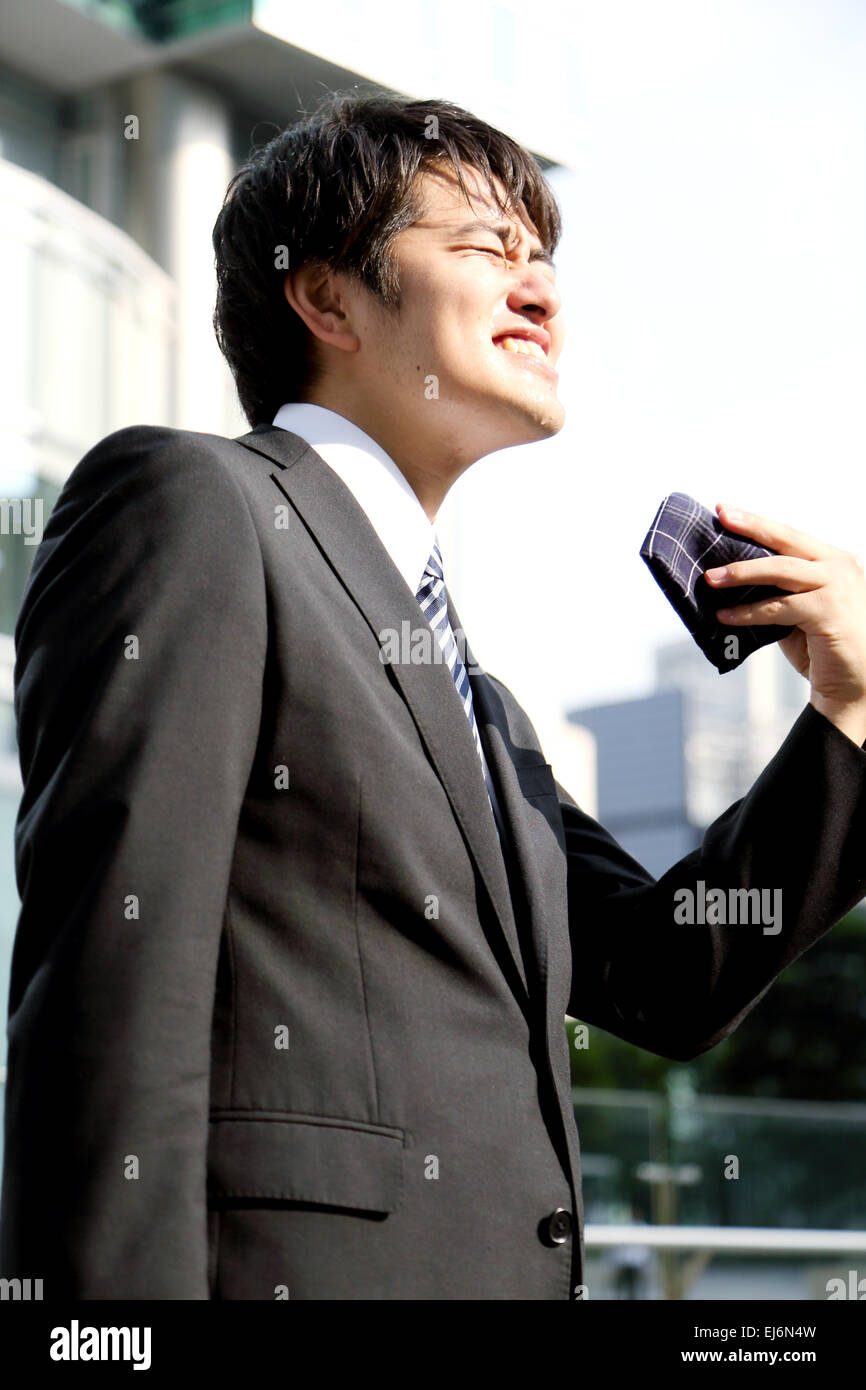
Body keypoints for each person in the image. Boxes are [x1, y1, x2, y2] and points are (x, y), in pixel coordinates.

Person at [2, 90, 865, 1302]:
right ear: (324, 295)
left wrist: (848, 715)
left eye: (544, 259)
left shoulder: (478, 702)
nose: (541, 289)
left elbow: (665, 982)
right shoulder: (197, 503)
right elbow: (112, 985)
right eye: (482, 247)